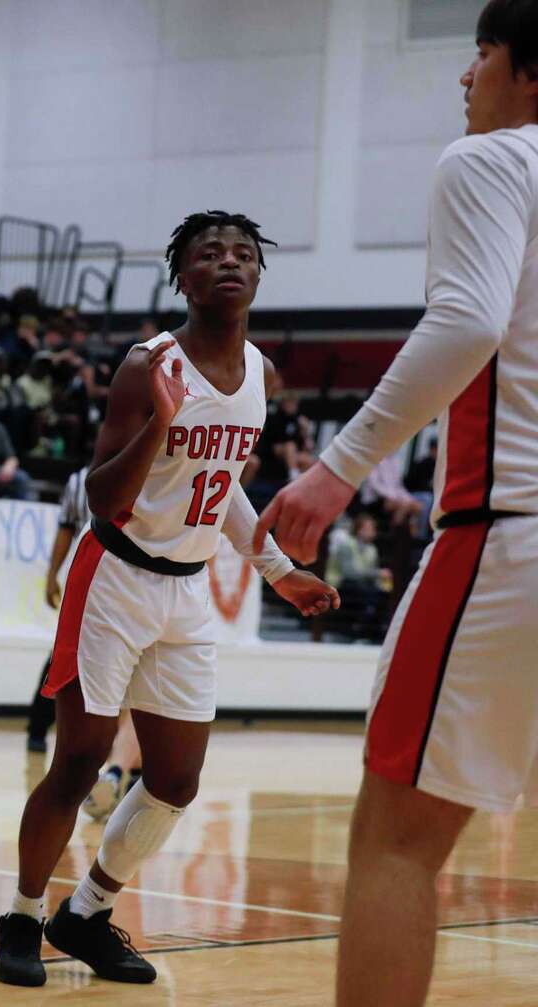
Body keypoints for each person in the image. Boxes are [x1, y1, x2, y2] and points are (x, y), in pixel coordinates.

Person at [253, 7, 538, 1003]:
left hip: (510, 532)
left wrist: (338, 463)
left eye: (486, 52)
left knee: (396, 837)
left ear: (531, 71)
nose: (467, 76)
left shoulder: (492, 158)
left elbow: (468, 318)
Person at [0, 211, 338, 989]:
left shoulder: (261, 373)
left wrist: (280, 571)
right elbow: (103, 496)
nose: (228, 262)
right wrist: (160, 422)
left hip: (185, 594)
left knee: (176, 779)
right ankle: (19, 914)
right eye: (208, 253)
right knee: (79, 760)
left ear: (258, 276)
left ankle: (84, 912)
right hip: (114, 575)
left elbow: (224, 493)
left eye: (243, 253)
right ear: (180, 276)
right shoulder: (144, 364)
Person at [25, 464, 89, 754]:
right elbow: (66, 528)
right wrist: (51, 575)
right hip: (86, 581)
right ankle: (37, 728)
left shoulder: (154, 470)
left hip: (129, 586)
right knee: (63, 656)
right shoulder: (79, 481)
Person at [325, 513, 389, 641]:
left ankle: (369, 632)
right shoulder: (347, 545)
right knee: (364, 593)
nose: (373, 532)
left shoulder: (372, 549)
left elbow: (369, 574)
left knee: (380, 594)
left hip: (361, 585)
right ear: (359, 529)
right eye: (370, 528)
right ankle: (358, 631)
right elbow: (350, 573)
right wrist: (377, 573)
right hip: (340, 583)